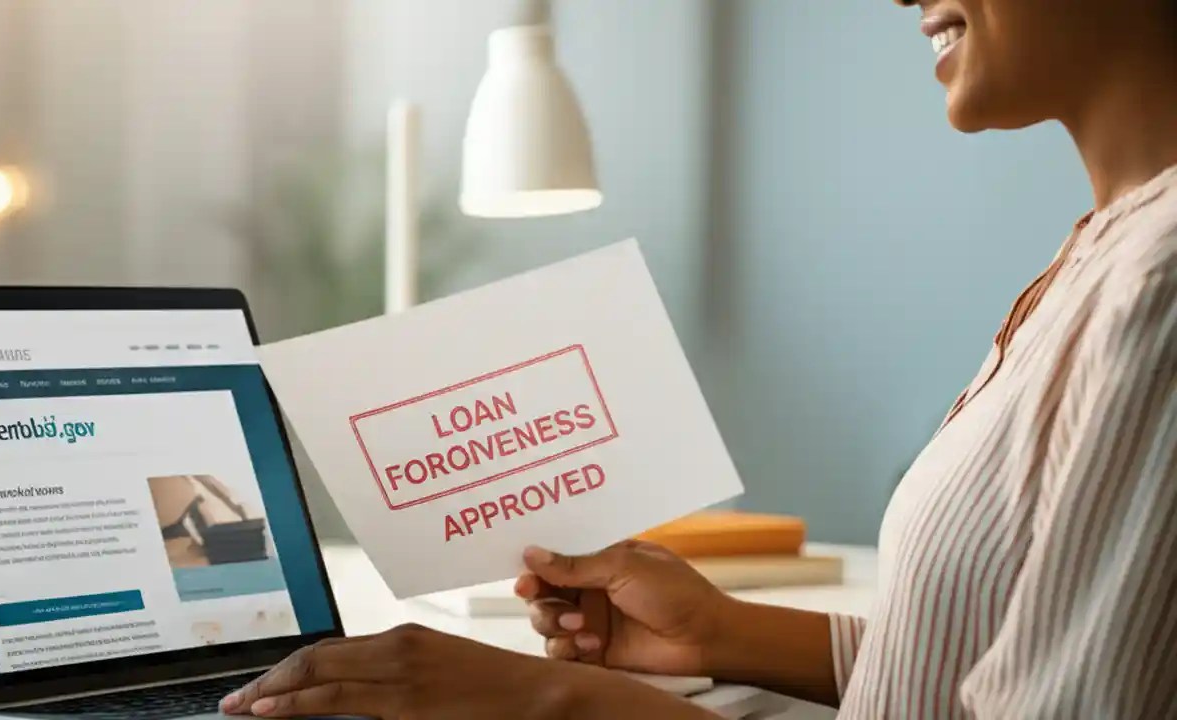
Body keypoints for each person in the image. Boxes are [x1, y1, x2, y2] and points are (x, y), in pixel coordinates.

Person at [220, 0, 1177, 715]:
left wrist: (554, 704)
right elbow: (970, 665)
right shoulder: (1103, 249)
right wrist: (723, 633)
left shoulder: (1158, 286)